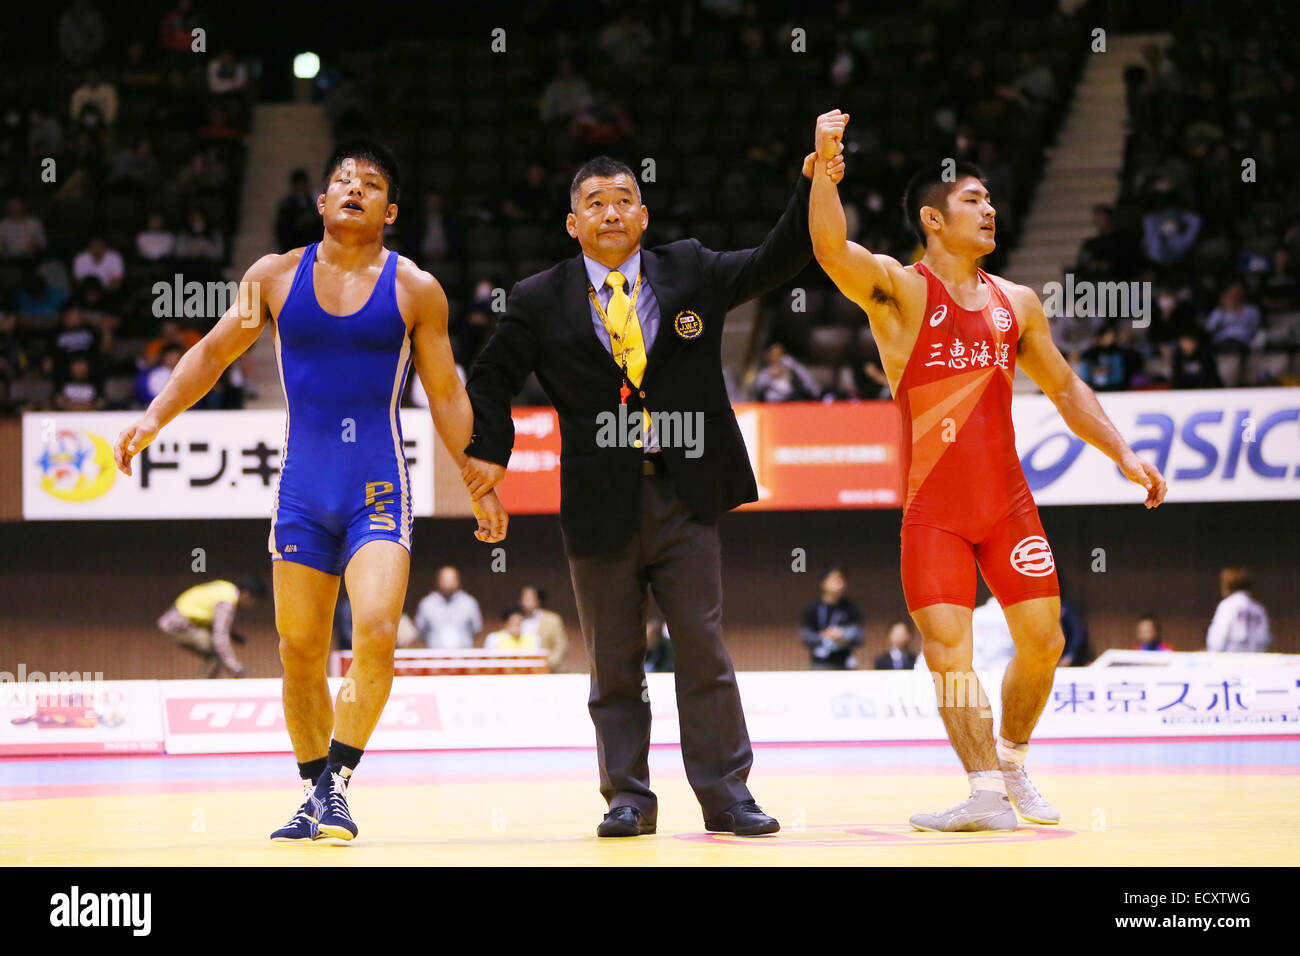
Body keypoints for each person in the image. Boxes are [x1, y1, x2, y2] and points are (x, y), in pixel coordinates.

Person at [113, 140, 507, 844]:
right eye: (341, 181)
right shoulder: (271, 276)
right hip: (302, 488)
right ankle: (311, 789)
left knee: (378, 630)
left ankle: (336, 782)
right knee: (299, 649)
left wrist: (476, 481)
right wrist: (153, 417)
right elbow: (210, 353)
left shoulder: (416, 288)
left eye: (372, 183)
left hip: (378, 485)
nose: (354, 188)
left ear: (391, 211)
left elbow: (446, 392)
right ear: (321, 203)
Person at [461, 140, 846, 839]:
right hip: (597, 503)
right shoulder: (538, 298)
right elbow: (488, 377)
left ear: (644, 213)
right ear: (572, 224)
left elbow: (777, 258)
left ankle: (727, 796)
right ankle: (628, 799)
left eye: (622, 199)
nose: (610, 211)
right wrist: (490, 456)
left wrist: (812, 180)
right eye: (593, 202)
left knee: (702, 647)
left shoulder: (691, 268)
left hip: (684, 494)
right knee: (614, 663)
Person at [810, 112, 1166, 833]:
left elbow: (1065, 388)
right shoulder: (899, 292)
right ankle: (980, 793)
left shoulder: (1018, 304)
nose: (990, 208)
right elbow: (826, 247)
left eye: (991, 200)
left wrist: (1121, 451)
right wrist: (821, 166)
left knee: (1045, 642)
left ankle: (1011, 758)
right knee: (950, 657)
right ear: (933, 220)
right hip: (933, 513)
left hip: (1007, 506)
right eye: (974, 199)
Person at [157, 576, 266, 677]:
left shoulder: (226, 588)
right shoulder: (227, 602)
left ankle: (202, 686)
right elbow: (220, 636)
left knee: (216, 656)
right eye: (254, 600)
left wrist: (232, 634)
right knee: (217, 652)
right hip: (177, 625)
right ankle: (201, 689)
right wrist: (233, 666)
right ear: (247, 594)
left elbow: (209, 617)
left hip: (177, 619)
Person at [799, 566, 864, 670]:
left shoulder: (851, 608)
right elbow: (806, 637)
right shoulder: (813, 609)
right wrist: (823, 635)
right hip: (820, 662)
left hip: (845, 662)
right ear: (823, 583)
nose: (839, 584)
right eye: (834, 580)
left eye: (841, 580)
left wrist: (842, 635)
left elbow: (859, 637)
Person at [414, 565, 482, 649]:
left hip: (463, 658)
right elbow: (420, 633)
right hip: (434, 658)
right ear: (437, 580)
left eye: (451, 579)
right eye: (445, 579)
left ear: (458, 581)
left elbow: (477, 631)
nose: (448, 582)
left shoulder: (469, 603)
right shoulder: (426, 604)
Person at [1207, 566, 1271, 653]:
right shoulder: (1258, 609)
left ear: (1227, 586)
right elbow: (1265, 638)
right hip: (1255, 660)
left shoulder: (1227, 606)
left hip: (1231, 659)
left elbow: (1217, 639)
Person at [519, 584, 567, 671]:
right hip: (520, 668)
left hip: (545, 668)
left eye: (529, 598)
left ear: (538, 599)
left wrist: (550, 662)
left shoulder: (552, 619)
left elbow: (560, 644)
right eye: (523, 598)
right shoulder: (516, 618)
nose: (525, 601)